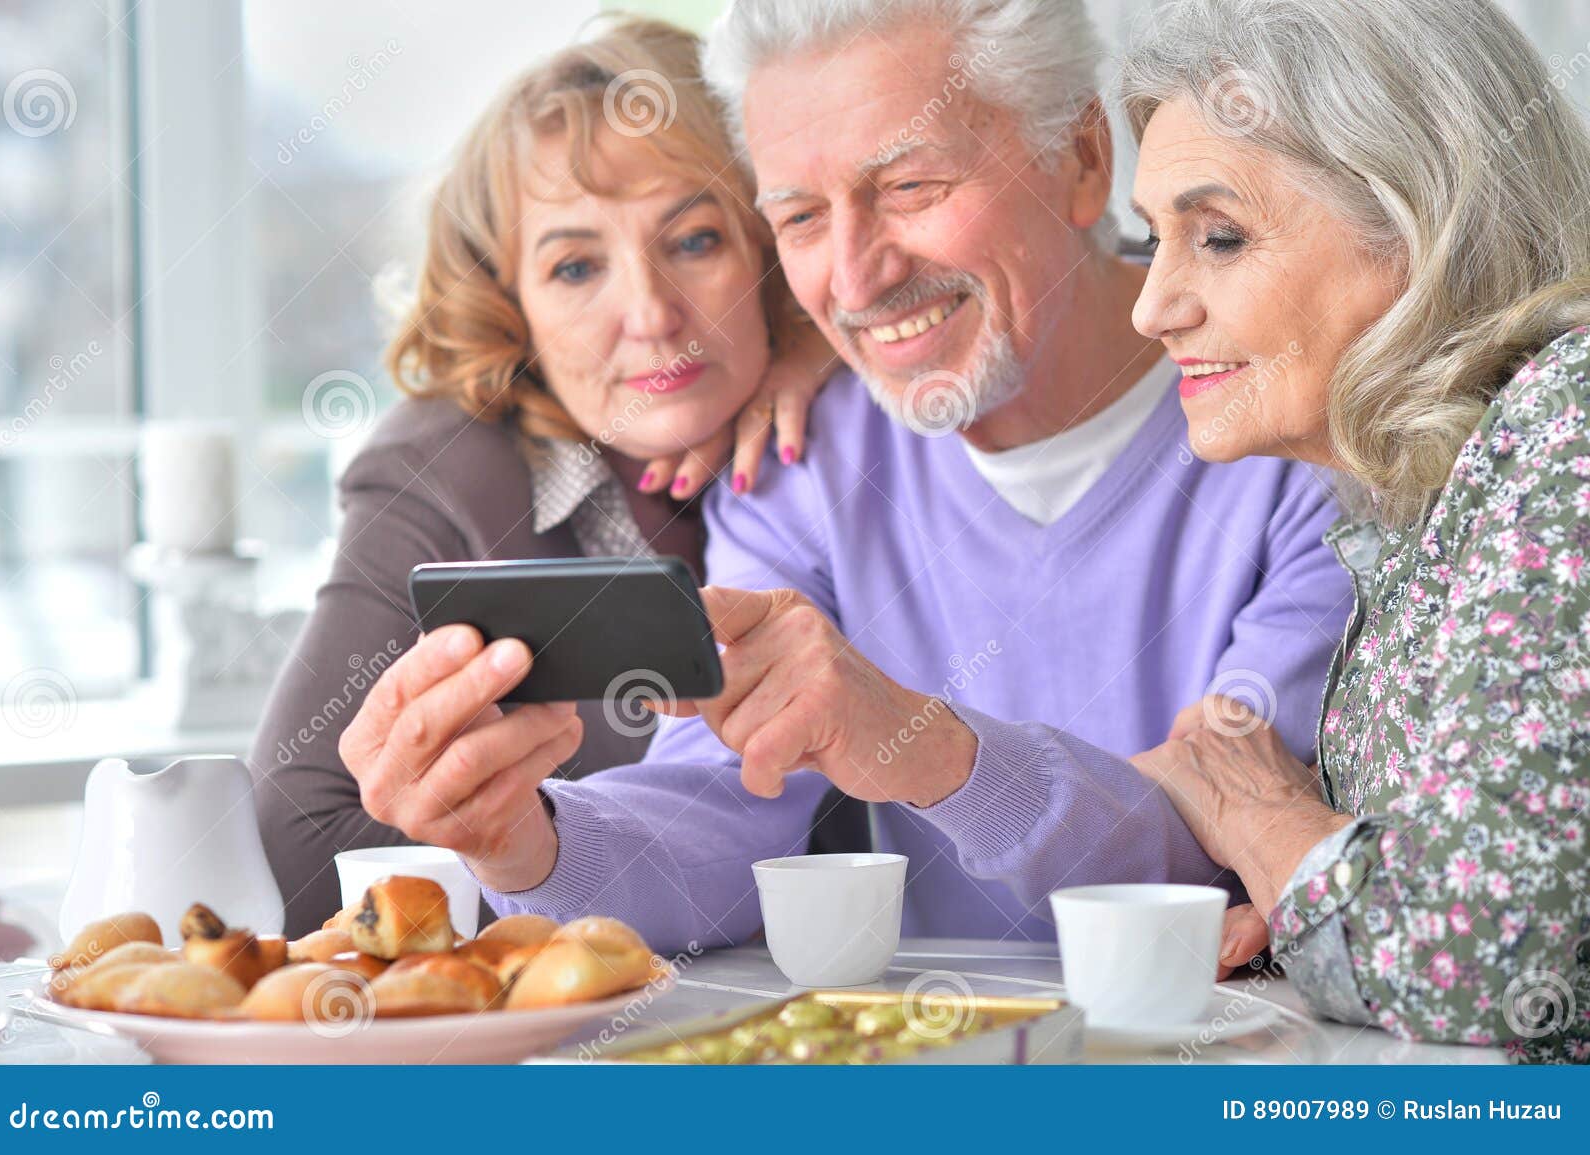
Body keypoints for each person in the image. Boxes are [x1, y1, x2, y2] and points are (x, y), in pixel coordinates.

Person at [338, 0, 1352, 960]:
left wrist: (925, 749)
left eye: (909, 187)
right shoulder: (800, 462)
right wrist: (526, 840)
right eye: (801, 218)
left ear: (1081, 159)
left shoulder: (1295, 431)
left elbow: (1228, 836)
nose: (856, 281)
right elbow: (720, 828)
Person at [249, 17, 835, 936]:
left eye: (694, 241)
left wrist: (838, 353)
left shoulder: (847, 436)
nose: (649, 312)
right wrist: (531, 845)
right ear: (509, 305)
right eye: (574, 266)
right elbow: (299, 850)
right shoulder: (446, 472)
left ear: (770, 247)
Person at [1121, 0, 1590, 1060]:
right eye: (1153, 240)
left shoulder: (1573, 417)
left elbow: (1477, 964)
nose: (1151, 306)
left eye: (1220, 236)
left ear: (1419, 220)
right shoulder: (1428, 492)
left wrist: (1255, 818)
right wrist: (1316, 921)